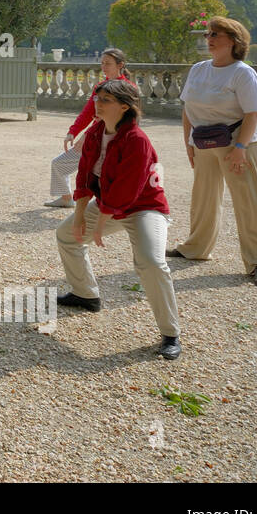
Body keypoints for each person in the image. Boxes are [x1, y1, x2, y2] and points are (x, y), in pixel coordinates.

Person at [55, 80, 182, 360]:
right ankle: (86, 294)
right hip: (108, 206)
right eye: (97, 97)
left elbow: (128, 189)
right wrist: (78, 218)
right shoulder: (95, 132)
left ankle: (170, 333)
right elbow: (85, 177)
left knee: (151, 262)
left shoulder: (137, 140)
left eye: (107, 100)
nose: (98, 103)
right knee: (66, 235)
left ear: (125, 106)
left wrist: (99, 224)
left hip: (144, 208)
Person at [167, 16, 257, 287]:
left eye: (216, 34)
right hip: (205, 141)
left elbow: (254, 113)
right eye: (209, 33)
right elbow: (187, 110)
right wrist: (188, 143)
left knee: (249, 201)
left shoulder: (242, 72)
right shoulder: (199, 69)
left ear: (234, 41)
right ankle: (196, 248)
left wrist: (240, 148)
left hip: (240, 142)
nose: (209, 38)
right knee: (203, 196)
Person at [45, 48, 133, 208]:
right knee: (59, 164)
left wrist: (87, 135)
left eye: (108, 63)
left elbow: (121, 119)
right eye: (102, 63)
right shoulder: (101, 86)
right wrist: (72, 132)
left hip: (115, 141)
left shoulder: (127, 88)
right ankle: (66, 198)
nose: (104, 67)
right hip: (94, 138)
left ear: (120, 65)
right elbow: (88, 112)